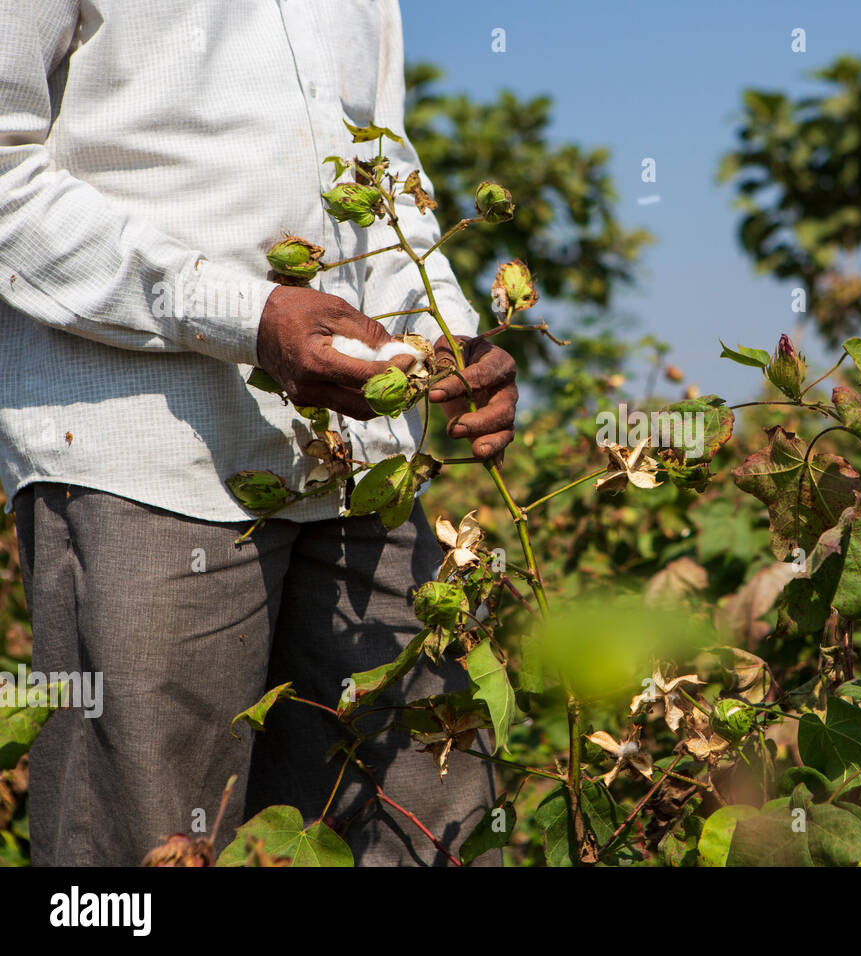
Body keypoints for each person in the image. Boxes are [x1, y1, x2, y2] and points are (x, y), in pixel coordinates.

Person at [0, 0, 516, 866]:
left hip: (362, 466)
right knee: (148, 846)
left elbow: (382, 175)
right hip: (141, 454)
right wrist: (245, 315)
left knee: (437, 818)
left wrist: (446, 330)